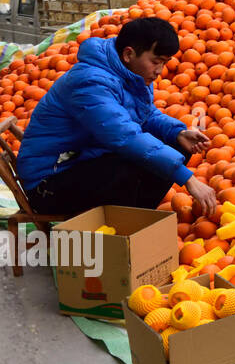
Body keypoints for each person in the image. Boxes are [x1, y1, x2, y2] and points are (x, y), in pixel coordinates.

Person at [17, 17, 218, 219]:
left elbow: (145, 115)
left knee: (177, 145)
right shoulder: (90, 82)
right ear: (128, 54)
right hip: (49, 183)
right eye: (155, 62)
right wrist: (187, 179)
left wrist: (177, 132)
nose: (159, 71)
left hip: (85, 161)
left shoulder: (131, 73)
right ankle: (129, 225)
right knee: (126, 167)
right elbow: (124, 136)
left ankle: (137, 218)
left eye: (164, 63)